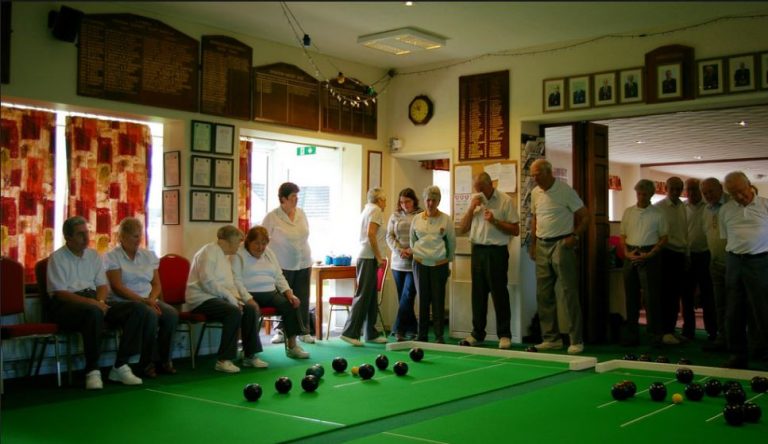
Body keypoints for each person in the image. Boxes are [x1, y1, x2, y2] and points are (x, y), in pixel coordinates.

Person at [46, 216, 151, 389]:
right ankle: (92, 370)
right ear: (68, 238)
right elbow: (60, 293)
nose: (86, 238)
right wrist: (93, 303)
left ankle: (120, 365)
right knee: (93, 311)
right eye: (80, 234)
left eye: (87, 233)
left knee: (138, 309)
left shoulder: (93, 255)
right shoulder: (57, 258)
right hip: (66, 305)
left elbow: (102, 285)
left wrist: (100, 301)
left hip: (94, 300)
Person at [183, 225, 267, 373]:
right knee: (233, 311)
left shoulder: (225, 256)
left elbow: (230, 284)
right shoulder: (208, 253)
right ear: (226, 242)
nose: (239, 246)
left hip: (217, 299)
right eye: (237, 243)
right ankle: (223, 360)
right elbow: (207, 283)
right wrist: (231, 300)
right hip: (200, 300)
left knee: (249, 308)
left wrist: (239, 300)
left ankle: (249, 356)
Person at [528, 159, 590, 354]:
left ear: (548, 172)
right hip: (541, 243)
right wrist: (533, 243)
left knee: (568, 292)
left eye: (537, 174)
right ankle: (551, 338)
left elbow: (585, 216)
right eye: (532, 175)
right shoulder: (535, 193)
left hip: (562, 243)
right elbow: (535, 218)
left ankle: (576, 340)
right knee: (543, 294)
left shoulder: (565, 190)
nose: (534, 178)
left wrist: (575, 236)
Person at [105, 217, 179, 378]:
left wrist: (151, 299)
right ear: (122, 237)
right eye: (133, 236)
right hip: (125, 302)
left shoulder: (148, 256)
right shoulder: (112, 257)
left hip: (149, 299)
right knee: (149, 314)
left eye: (139, 236)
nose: (137, 240)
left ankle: (164, 360)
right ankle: (145, 363)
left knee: (171, 314)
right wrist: (144, 301)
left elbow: (156, 284)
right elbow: (118, 287)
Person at [458, 172, 520, 349]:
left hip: (497, 251)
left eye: (482, 189)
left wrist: (495, 221)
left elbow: (515, 230)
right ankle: (477, 333)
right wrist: (471, 208)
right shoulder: (475, 200)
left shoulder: (505, 200)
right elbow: (462, 228)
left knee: (499, 293)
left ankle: (504, 335)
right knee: (477, 294)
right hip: (477, 250)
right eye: (476, 189)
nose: (479, 193)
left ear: (491, 184)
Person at [232, 226, 310, 359]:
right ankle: (250, 354)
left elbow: (278, 276)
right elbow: (236, 280)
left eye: (263, 243)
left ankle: (292, 346)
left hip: (269, 292)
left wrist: (288, 292)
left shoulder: (268, 253)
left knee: (291, 304)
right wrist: (247, 298)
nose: (260, 247)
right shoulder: (238, 254)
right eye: (256, 243)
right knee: (250, 310)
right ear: (248, 242)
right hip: (249, 294)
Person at [719, 171, 768, 369]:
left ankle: (764, 351)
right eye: (733, 193)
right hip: (734, 262)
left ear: (749, 185)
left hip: (761, 261)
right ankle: (737, 355)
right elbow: (726, 237)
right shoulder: (726, 210)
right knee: (733, 311)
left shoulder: (765, 205)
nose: (738, 196)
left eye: (740, 191)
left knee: (763, 310)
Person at [261, 182, 315, 345]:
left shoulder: (301, 214)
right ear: (283, 199)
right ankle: (281, 330)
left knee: (303, 297)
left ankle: (303, 331)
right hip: (282, 264)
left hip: (303, 261)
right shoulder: (272, 217)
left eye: (297, 196)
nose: (296, 199)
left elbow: (305, 234)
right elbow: (262, 239)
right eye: (293, 197)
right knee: (285, 299)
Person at [620, 180, 669, 347]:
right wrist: (627, 253)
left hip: (650, 254)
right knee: (630, 297)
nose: (641, 197)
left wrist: (650, 254)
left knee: (651, 298)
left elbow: (663, 238)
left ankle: (654, 335)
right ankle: (632, 334)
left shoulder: (658, 213)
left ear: (651, 195)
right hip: (631, 253)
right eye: (639, 193)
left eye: (644, 194)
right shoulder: (628, 212)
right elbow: (623, 236)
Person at [340, 188, 389, 346]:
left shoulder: (367, 208)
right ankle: (350, 332)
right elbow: (371, 234)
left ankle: (371, 332)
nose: (386, 203)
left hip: (366, 256)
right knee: (363, 295)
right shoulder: (375, 210)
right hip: (368, 257)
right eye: (384, 200)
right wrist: (378, 257)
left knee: (371, 297)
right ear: (378, 200)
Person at [410, 186, 455, 343]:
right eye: (428, 200)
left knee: (438, 300)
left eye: (433, 200)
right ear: (424, 200)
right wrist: (416, 254)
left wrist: (448, 261)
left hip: (439, 264)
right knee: (422, 300)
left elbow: (451, 242)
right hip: (420, 263)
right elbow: (412, 240)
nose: (430, 203)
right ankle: (421, 335)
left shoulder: (446, 219)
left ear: (438, 201)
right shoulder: (416, 219)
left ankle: (438, 335)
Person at [654, 176, 687, 345]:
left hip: (680, 255)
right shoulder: (658, 208)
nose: (675, 192)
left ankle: (671, 330)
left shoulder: (683, 206)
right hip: (665, 255)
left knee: (675, 295)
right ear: (666, 188)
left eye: (678, 189)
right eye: (672, 188)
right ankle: (664, 332)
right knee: (665, 295)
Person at [385, 187, 421, 341]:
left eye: (407, 201)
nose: (404, 204)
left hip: (414, 261)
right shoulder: (395, 216)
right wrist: (399, 250)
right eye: (402, 202)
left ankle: (398, 329)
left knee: (408, 295)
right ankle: (413, 328)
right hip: (397, 262)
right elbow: (389, 236)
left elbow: (423, 237)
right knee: (404, 298)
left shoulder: (420, 215)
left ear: (414, 201)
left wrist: (411, 250)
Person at [682, 179, 715, 341]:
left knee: (708, 295)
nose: (693, 193)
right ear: (686, 191)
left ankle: (712, 331)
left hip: (705, 255)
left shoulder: (708, 207)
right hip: (687, 256)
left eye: (695, 189)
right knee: (686, 296)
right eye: (690, 190)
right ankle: (688, 331)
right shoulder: (682, 208)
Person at [700, 177, 730, 352]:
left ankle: (749, 341)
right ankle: (723, 338)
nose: (708, 195)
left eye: (711, 191)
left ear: (720, 188)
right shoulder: (707, 209)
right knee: (719, 303)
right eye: (705, 193)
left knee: (740, 304)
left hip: (734, 263)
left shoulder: (732, 205)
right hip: (715, 262)